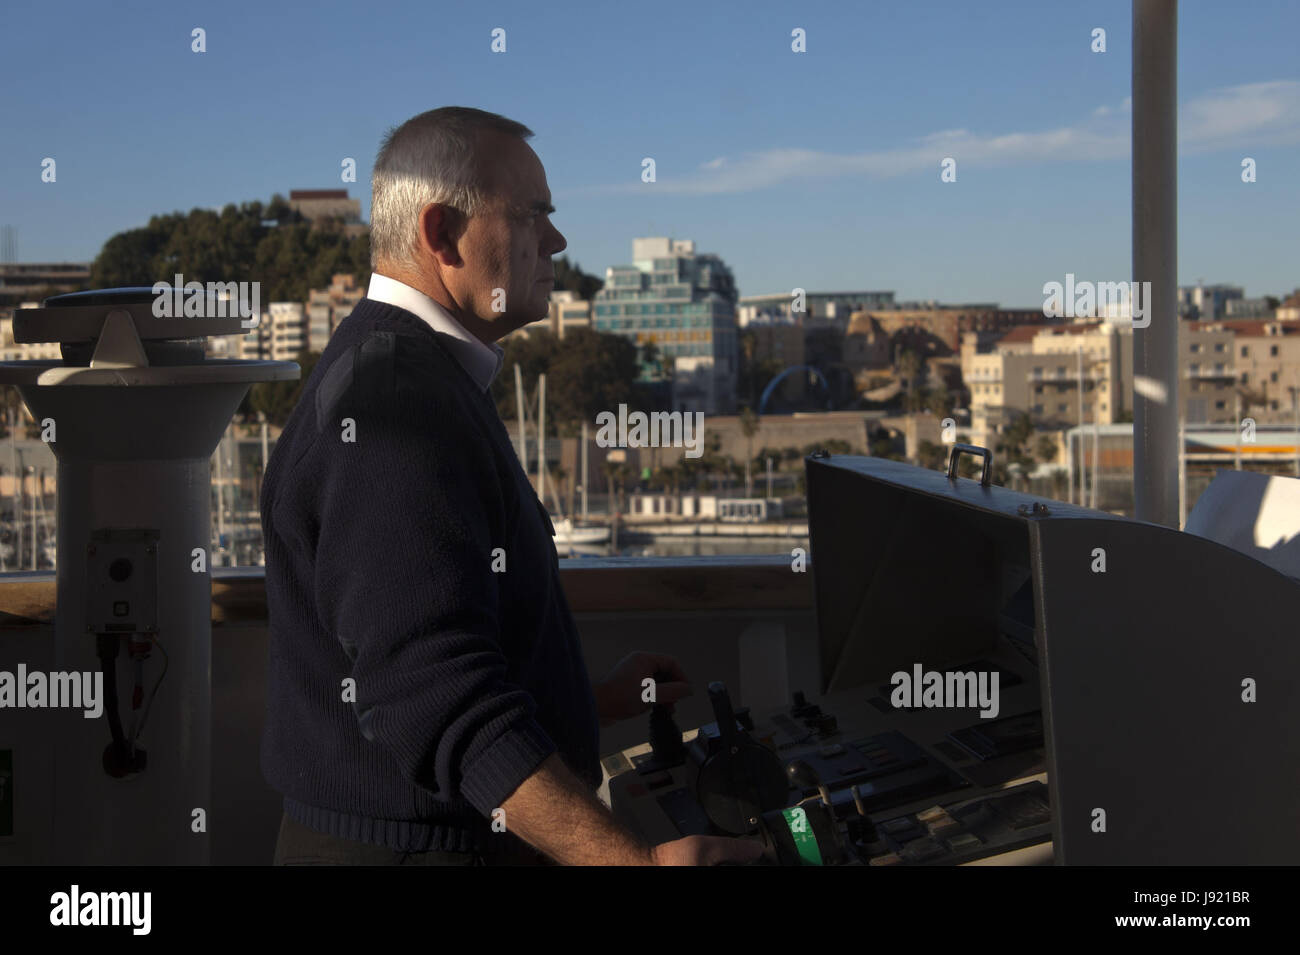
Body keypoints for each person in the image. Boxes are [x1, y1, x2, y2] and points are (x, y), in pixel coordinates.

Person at [259, 106, 763, 866]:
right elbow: (433, 695)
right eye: (534, 214)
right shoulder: (394, 401)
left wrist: (584, 704)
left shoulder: (412, 374)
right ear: (441, 232)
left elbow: (431, 644)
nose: (556, 241)